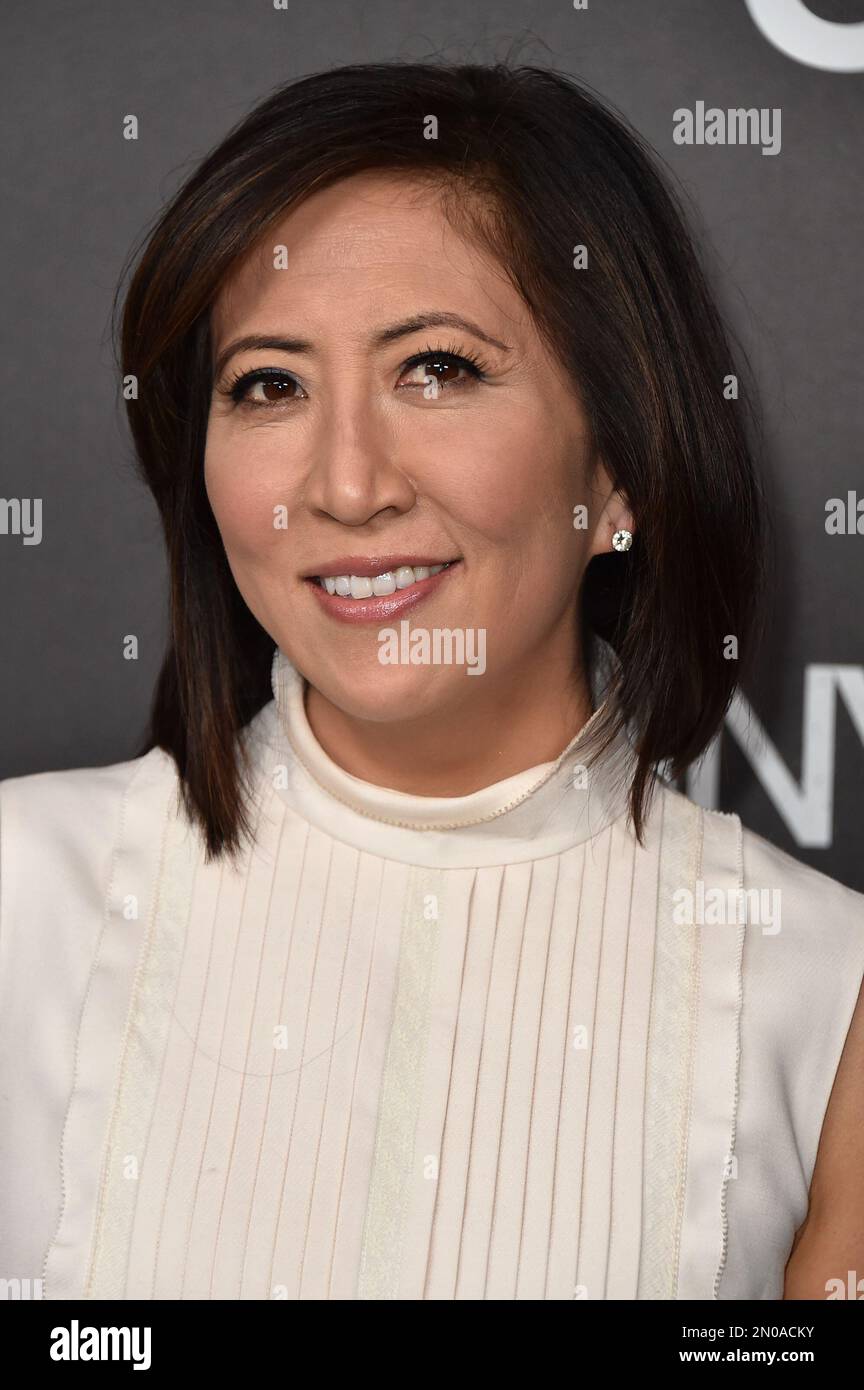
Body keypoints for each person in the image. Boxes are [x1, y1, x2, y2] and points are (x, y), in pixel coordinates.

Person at [1, 60, 862, 1302]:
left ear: (621, 464)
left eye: (438, 369)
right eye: (270, 385)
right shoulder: (25, 890)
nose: (348, 485)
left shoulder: (830, 998)